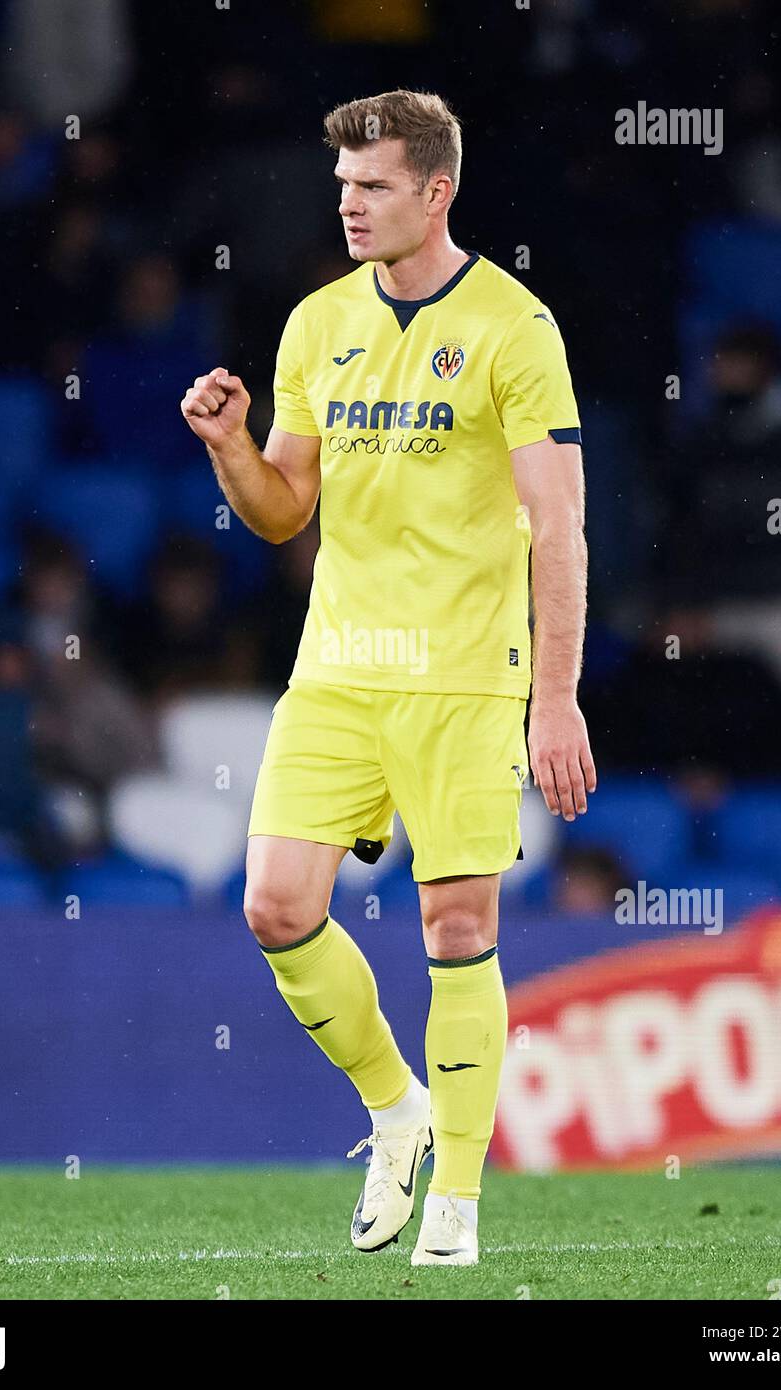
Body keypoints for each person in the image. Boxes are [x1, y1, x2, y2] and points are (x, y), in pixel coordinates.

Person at [180, 90, 595, 1266]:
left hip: (467, 672)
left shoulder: (515, 327)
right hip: (339, 668)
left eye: (371, 186)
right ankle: (397, 1108)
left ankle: (455, 1202)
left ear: (434, 192)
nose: (349, 205)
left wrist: (552, 696)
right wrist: (229, 450)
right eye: (342, 186)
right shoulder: (316, 324)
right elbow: (281, 513)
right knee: (274, 905)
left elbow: (555, 524)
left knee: (455, 924)